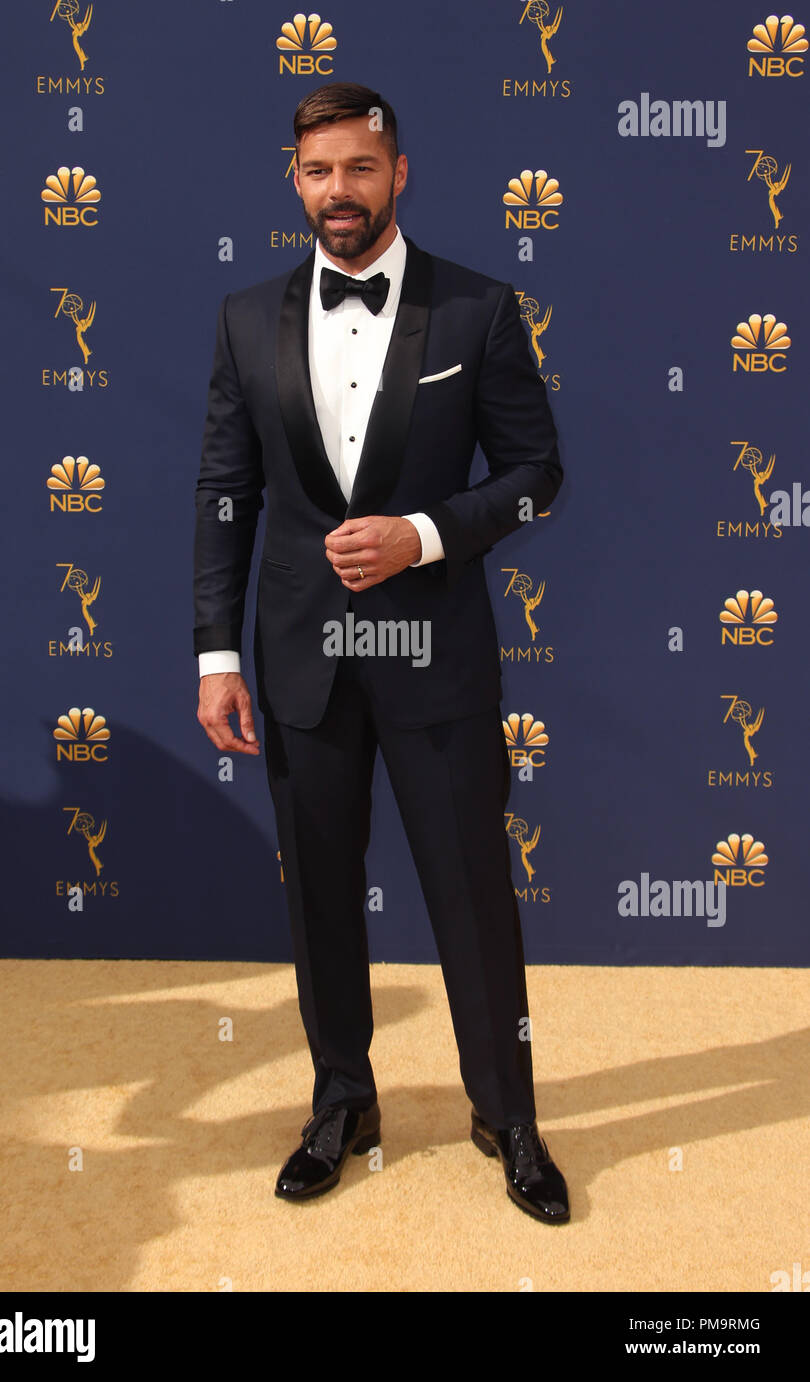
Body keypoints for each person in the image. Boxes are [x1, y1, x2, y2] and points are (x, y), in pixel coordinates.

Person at [193, 82, 569, 1223]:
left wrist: (421, 532)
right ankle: (340, 1102)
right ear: (293, 179)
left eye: (359, 168)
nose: (338, 191)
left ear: (397, 173)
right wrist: (216, 652)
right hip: (302, 658)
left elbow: (536, 473)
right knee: (316, 898)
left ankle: (506, 1112)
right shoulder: (245, 317)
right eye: (318, 171)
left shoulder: (479, 310)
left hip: (434, 652)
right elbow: (225, 492)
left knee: (471, 895)